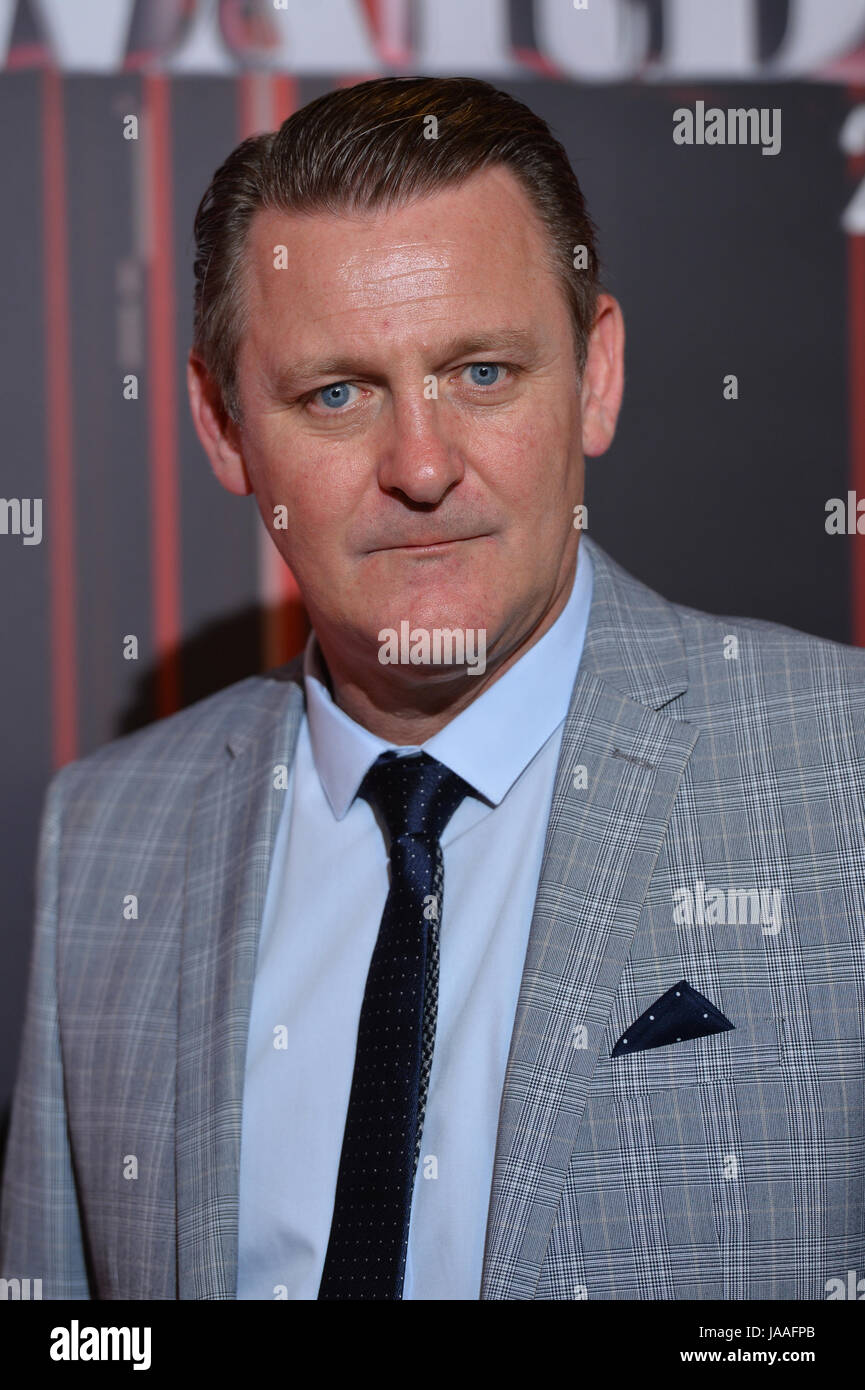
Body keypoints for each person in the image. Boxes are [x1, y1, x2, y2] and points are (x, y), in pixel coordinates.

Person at [2, 75, 864, 1302]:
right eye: (335, 393)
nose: (420, 464)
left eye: (481, 373)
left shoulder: (843, 771)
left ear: (597, 372)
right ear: (222, 422)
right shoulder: (104, 840)